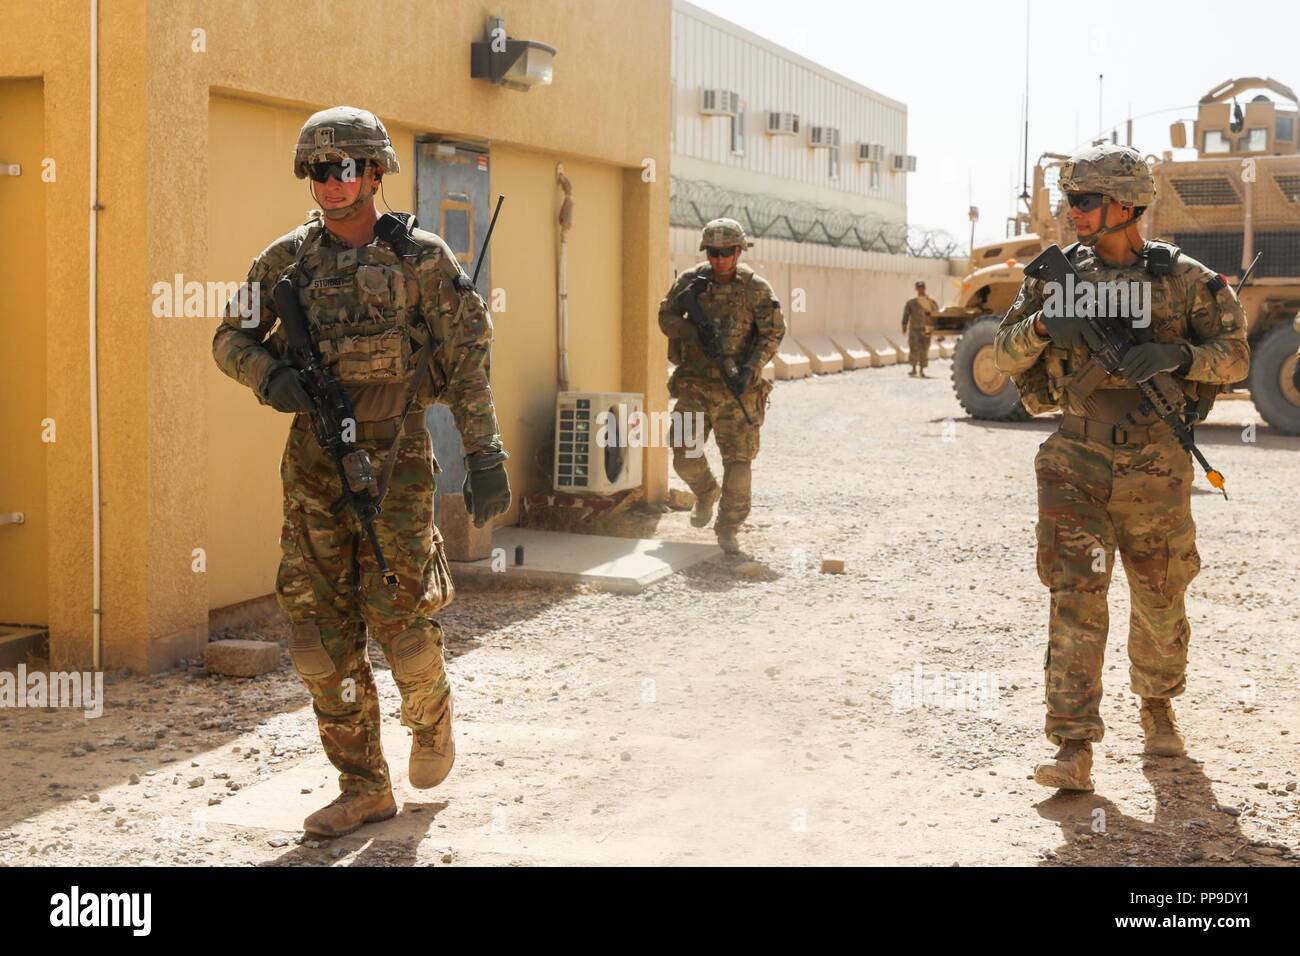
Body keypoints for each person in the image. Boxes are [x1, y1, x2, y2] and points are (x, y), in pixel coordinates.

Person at [212, 106, 511, 835]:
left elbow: (469, 360)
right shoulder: (284, 263)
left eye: (345, 167)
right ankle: (363, 784)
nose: (331, 183)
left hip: (400, 460)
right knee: (316, 637)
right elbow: (229, 337)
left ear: (376, 172)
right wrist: (269, 377)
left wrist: (484, 452)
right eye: (319, 170)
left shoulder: (422, 260)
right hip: (315, 462)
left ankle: (431, 720)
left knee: (400, 623)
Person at [993, 144, 1249, 791]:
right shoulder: (1052, 278)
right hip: (1075, 458)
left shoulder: (1187, 280)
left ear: (1126, 205)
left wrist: (1174, 357)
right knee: (1076, 598)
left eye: (1085, 200)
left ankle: (1157, 706)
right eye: (1071, 199)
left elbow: (1236, 357)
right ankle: (1073, 744)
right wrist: (1047, 328)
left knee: (1161, 599)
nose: (1072, 212)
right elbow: (1003, 353)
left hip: (1156, 465)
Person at [658, 218, 785, 555]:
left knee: (739, 464)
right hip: (695, 385)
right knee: (684, 456)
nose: (720, 259)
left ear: (740, 251)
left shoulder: (756, 288)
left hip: (737, 390)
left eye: (727, 252)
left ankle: (728, 527)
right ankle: (706, 492)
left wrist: (751, 367)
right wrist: (693, 331)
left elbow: (773, 333)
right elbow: (666, 318)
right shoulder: (690, 282)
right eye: (713, 252)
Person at [901, 280, 938, 376]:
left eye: (922, 287)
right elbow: (906, 314)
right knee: (914, 348)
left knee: (924, 349)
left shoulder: (931, 301)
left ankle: (922, 370)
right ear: (916, 289)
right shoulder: (911, 302)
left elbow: (936, 315)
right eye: (919, 288)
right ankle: (913, 368)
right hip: (914, 329)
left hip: (927, 329)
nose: (920, 289)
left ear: (925, 288)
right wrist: (904, 325)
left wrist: (936, 329)